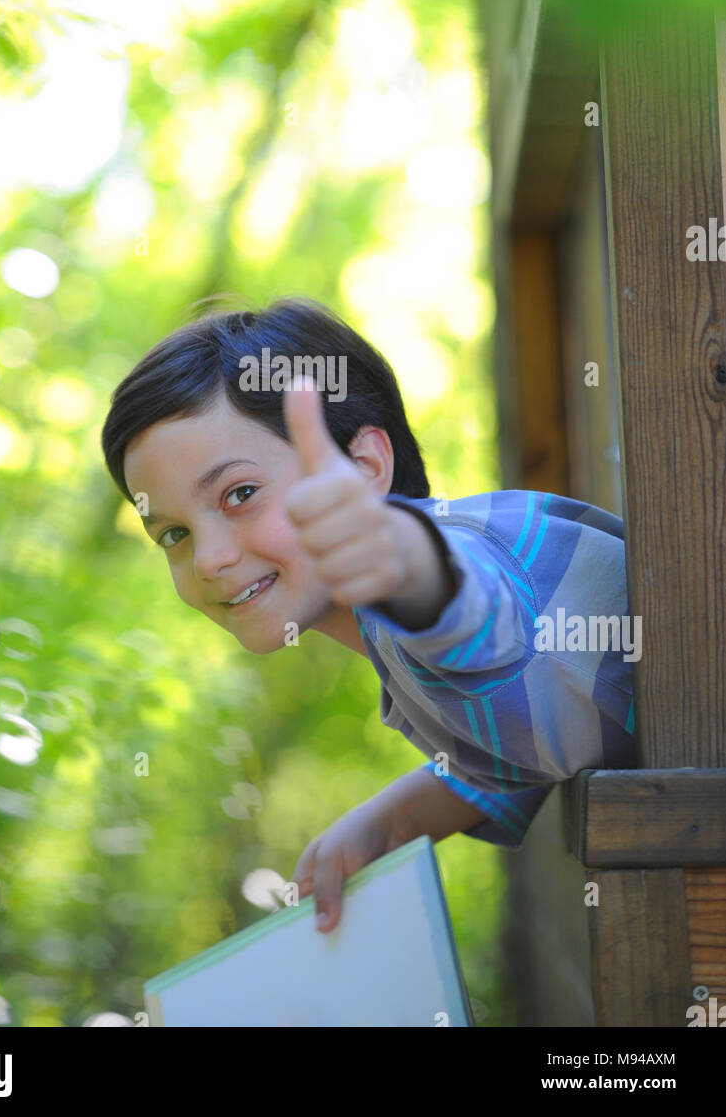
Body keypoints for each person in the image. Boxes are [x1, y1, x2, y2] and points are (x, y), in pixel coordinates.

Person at [100, 297, 636, 933]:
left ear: (365, 470)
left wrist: (401, 561)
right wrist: (392, 819)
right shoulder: (413, 653)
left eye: (240, 494)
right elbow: (548, 712)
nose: (210, 558)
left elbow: (474, 613)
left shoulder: (454, 565)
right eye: (173, 535)